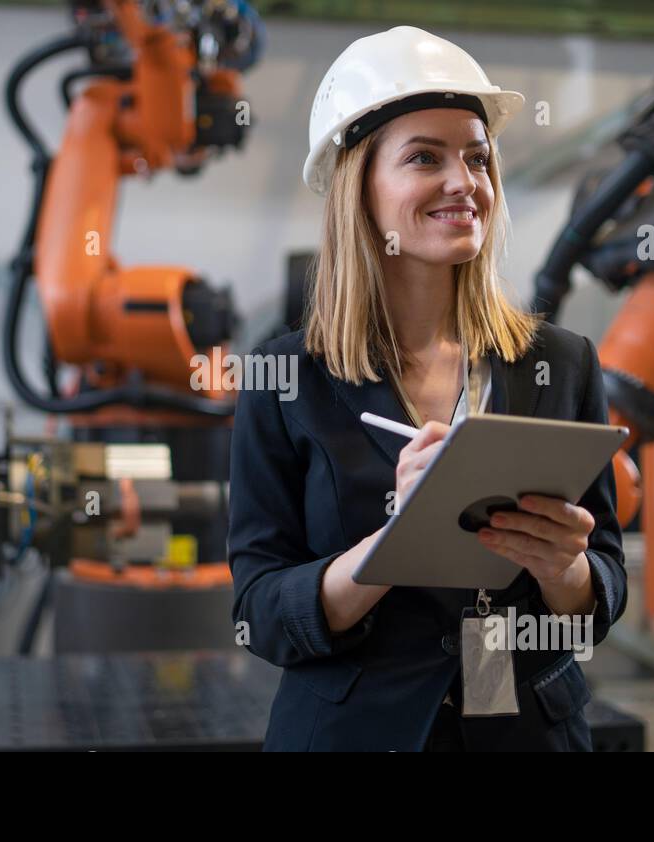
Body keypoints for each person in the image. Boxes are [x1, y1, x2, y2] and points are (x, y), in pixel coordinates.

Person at [227, 26, 626, 751]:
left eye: (478, 157)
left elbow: (601, 592)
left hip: (524, 730)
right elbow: (259, 610)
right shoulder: (287, 379)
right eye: (424, 158)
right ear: (360, 187)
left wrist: (566, 569)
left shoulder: (559, 364)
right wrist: (396, 545)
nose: (464, 182)